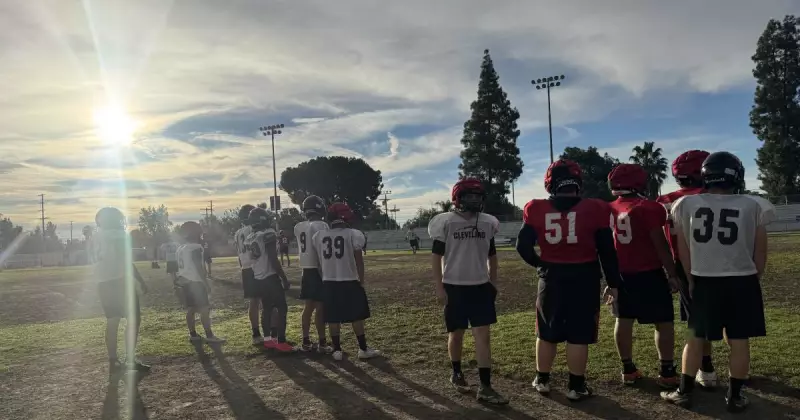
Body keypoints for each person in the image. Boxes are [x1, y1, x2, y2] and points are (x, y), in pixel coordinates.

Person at [661, 152, 774, 412]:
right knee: (739, 340)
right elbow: (761, 251)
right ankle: (735, 397)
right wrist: (753, 277)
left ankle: (683, 391)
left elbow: (684, 249)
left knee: (695, 337)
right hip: (742, 280)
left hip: (704, 280)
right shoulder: (755, 204)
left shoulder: (685, 204)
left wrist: (690, 278)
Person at [515, 159, 621, 401]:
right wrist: (613, 282)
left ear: (550, 183)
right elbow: (607, 251)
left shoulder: (536, 208)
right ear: (578, 182)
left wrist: (540, 264)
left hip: (552, 276)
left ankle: (542, 379)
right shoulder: (595, 208)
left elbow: (523, 246)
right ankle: (576, 386)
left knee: (546, 331)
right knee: (578, 335)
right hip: (585, 277)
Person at [429, 178, 508, 406]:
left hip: (480, 286)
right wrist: (439, 285)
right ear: (458, 198)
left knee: (483, 336)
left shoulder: (487, 222)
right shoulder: (446, 222)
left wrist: (493, 281)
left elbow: (492, 255)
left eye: (477, 196)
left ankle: (485, 386)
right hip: (454, 285)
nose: (474, 200)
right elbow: (436, 257)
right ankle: (456, 372)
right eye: (469, 196)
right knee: (457, 333)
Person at [607, 164, 681, 388]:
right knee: (664, 322)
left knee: (624, 320)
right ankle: (667, 372)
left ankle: (627, 369)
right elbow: (660, 244)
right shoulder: (649, 207)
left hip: (621, 274)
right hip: (649, 273)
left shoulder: (607, 208)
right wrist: (672, 273)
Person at [656, 150, 719, 388]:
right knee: (728, 320)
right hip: (720, 261)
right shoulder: (717, 195)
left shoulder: (665, 201)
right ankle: (714, 367)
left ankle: (705, 368)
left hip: (683, 265)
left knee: (697, 319)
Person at [311, 202, 380, 361]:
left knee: (333, 317)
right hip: (349, 280)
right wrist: (361, 281)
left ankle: (336, 350)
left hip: (329, 281)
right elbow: (359, 262)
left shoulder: (319, 236)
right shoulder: (353, 234)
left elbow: (319, 262)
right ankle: (362, 349)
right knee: (356, 316)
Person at [93, 207, 150, 374]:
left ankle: (113, 361)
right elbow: (124, 260)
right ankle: (130, 359)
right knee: (133, 320)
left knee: (112, 320)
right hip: (120, 281)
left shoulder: (96, 236)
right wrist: (139, 279)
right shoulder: (118, 235)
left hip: (102, 282)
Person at [246, 207, 294, 352]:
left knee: (266, 308)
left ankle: (268, 340)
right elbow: (273, 258)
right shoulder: (268, 233)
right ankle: (281, 340)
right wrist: (284, 278)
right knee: (281, 308)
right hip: (270, 276)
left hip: (258, 277)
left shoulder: (250, 237)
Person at [175, 221, 227, 345]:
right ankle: (209, 335)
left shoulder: (180, 248)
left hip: (185, 281)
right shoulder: (195, 247)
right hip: (196, 282)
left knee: (191, 309)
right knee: (204, 309)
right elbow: (198, 267)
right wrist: (206, 283)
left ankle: (193, 334)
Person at [294, 195, 332, 353]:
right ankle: (322, 343)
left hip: (305, 270)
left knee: (308, 307)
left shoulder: (298, 226)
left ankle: (305, 340)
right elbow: (322, 250)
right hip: (317, 269)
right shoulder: (321, 225)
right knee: (320, 308)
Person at [234, 204, 267, 345]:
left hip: (245, 268)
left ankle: (256, 333)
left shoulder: (237, 232)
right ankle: (269, 333)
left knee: (253, 301)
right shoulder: (251, 230)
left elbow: (238, 254)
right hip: (255, 267)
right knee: (266, 300)